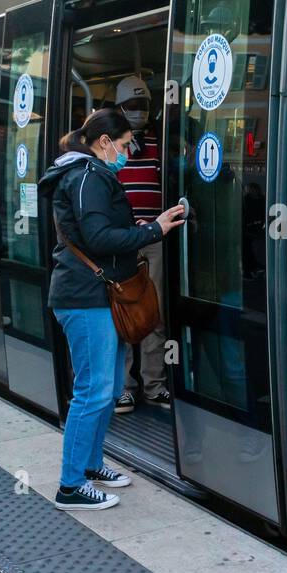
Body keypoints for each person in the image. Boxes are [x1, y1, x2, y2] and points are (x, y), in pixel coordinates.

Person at [38, 108, 185, 510]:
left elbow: (94, 232)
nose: (126, 153)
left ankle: (90, 466)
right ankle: (70, 485)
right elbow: (100, 238)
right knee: (93, 392)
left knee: (106, 391)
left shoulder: (86, 175)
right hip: (86, 298)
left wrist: (140, 225)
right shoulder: (88, 177)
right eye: (122, 145)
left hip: (99, 297)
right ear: (104, 142)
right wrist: (153, 230)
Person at [111, 75, 171, 414]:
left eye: (144, 106)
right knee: (124, 312)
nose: (139, 112)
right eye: (132, 106)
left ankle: (154, 383)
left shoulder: (158, 143)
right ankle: (124, 387)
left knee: (154, 313)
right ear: (119, 108)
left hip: (154, 237)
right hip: (123, 241)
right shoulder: (112, 148)